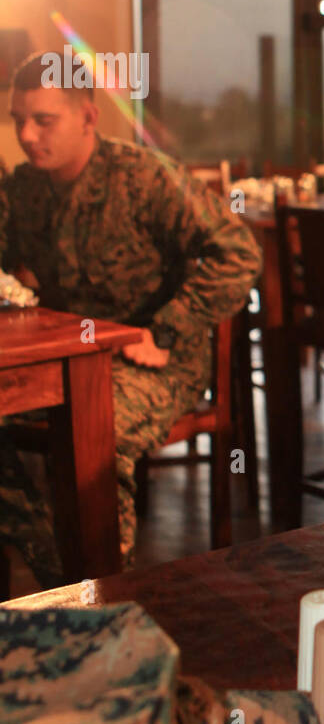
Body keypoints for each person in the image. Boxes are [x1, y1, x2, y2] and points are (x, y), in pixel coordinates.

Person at [0, 52, 261, 588]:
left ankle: (107, 606)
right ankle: (62, 582)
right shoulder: (23, 190)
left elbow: (239, 253)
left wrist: (165, 329)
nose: (26, 135)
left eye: (43, 120)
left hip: (159, 357)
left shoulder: (142, 176)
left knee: (92, 430)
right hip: (70, 357)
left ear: (88, 118)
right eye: (17, 119)